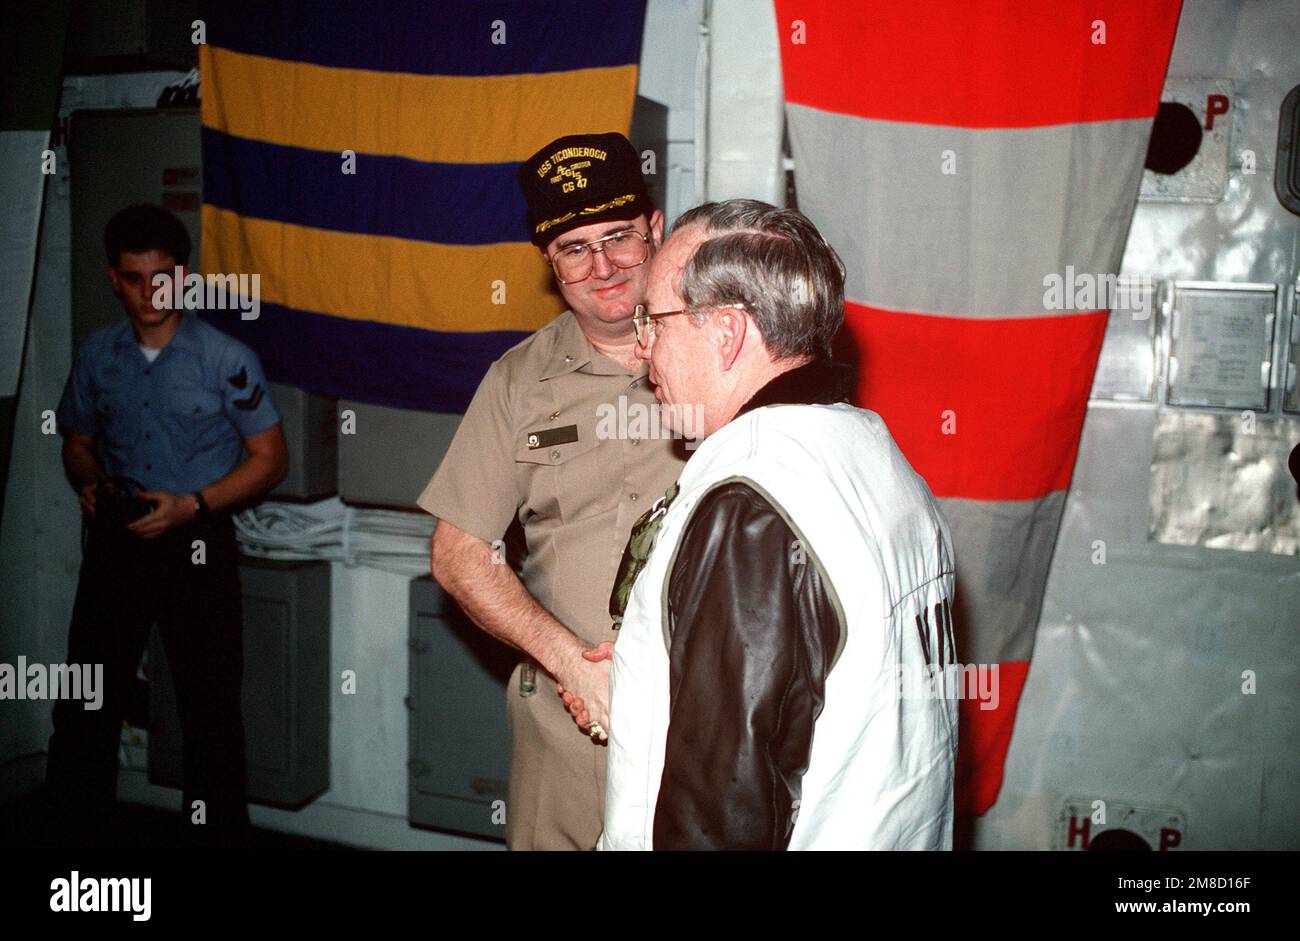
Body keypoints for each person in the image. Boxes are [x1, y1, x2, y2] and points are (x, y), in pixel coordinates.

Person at [573, 199, 958, 850]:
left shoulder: (751, 505)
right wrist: (662, 674)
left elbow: (720, 820)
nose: (643, 351)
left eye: (655, 321)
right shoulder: (877, 458)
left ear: (727, 332)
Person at [418, 132, 688, 850]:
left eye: (619, 238)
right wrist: (571, 663)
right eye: (574, 247)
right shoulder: (516, 382)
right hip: (568, 730)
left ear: (655, 230)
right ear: (548, 261)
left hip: (703, 722)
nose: (602, 267)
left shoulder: (722, 353)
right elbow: (458, 553)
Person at [47, 204, 287, 848]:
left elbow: (270, 459)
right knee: (85, 699)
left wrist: (196, 507)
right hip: (118, 542)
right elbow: (76, 439)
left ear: (183, 277)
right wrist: (90, 482)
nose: (151, 293)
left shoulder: (225, 358)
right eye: (134, 278)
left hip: (196, 541)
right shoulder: (98, 353)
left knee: (208, 710)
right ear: (114, 281)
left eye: (164, 278)